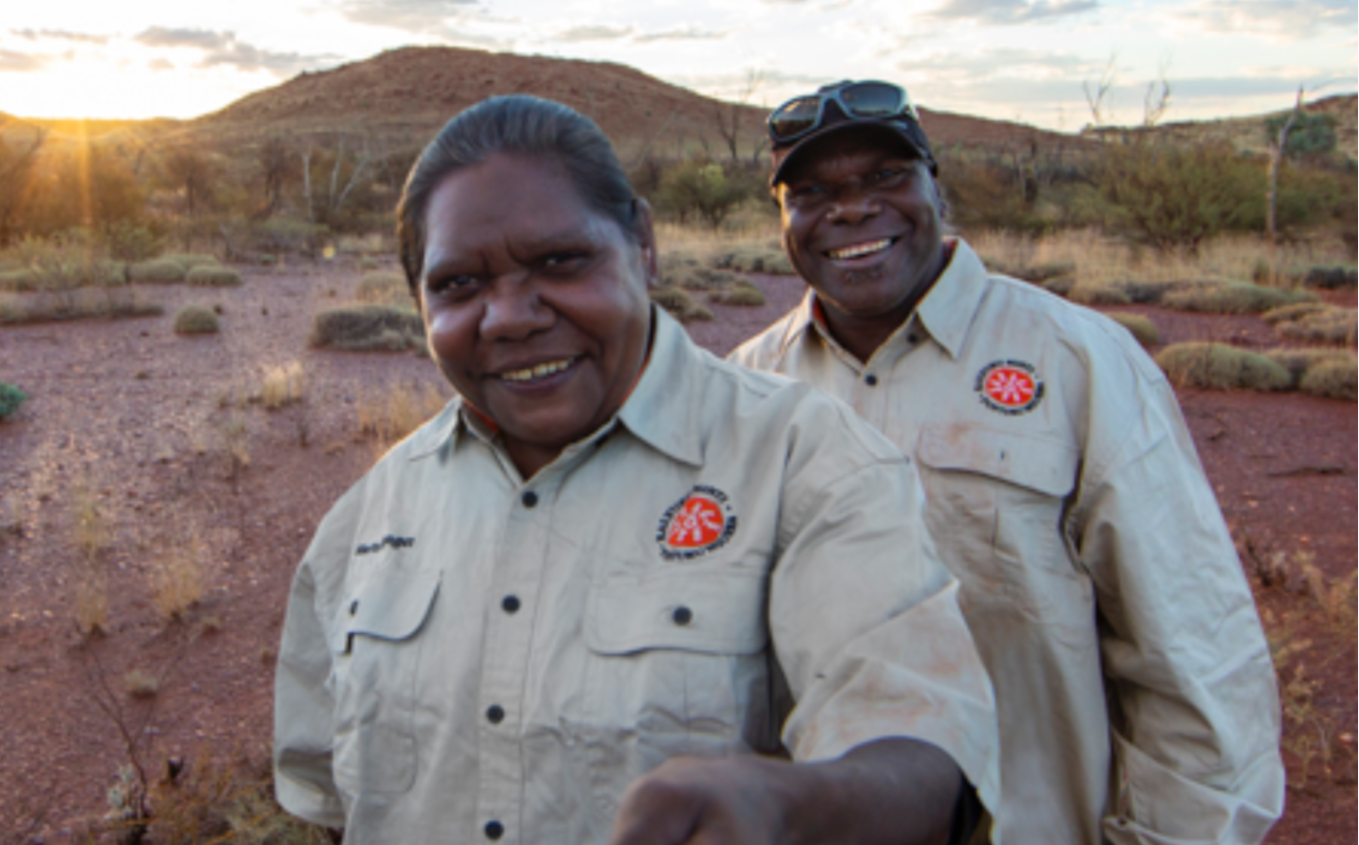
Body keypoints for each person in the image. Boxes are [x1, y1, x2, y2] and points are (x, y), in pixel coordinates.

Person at [273, 94, 1001, 845]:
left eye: (559, 260)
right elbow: (335, 807)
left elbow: (922, 752)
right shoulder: (366, 520)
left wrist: (796, 803)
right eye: (458, 285)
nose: (511, 315)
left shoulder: (805, 459)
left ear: (643, 246)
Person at [730, 80, 1285, 844]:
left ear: (936, 188)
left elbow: (1194, 654)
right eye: (813, 190)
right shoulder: (743, 389)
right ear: (783, 217)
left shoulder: (1079, 359)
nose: (852, 209)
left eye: (887, 177)